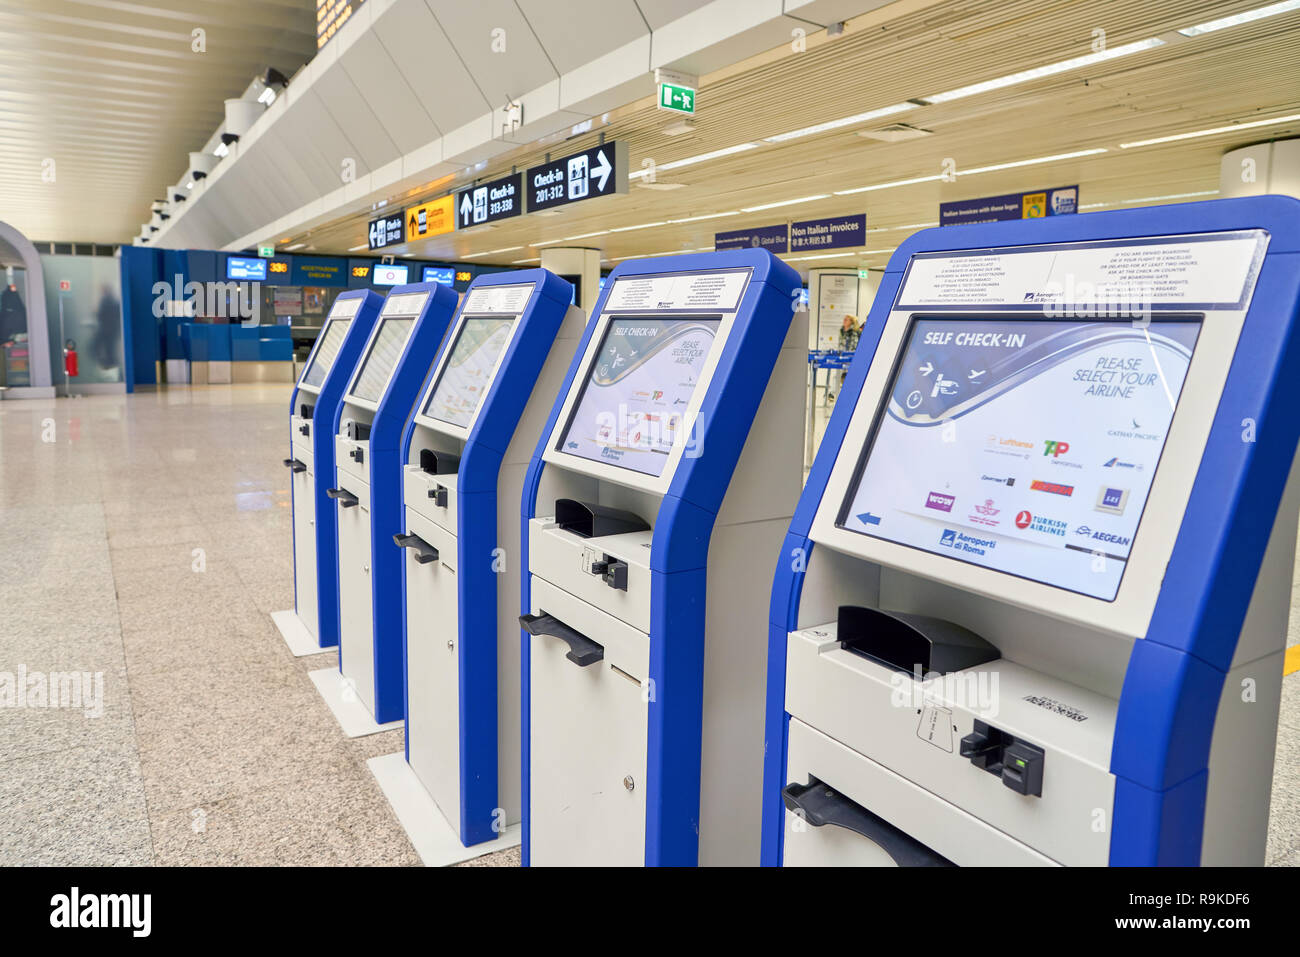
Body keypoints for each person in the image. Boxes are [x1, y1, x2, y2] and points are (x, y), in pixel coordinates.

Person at [827, 314, 860, 403]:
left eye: (847, 319)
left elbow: (854, 346)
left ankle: (848, 396)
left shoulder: (853, 333)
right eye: (844, 319)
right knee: (836, 376)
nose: (844, 321)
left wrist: (847, 356)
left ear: (851, 322)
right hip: (841, 357)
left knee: (848, 377)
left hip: (849, 358)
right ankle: (832, 394)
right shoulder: (841, 331)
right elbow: (840, 345)